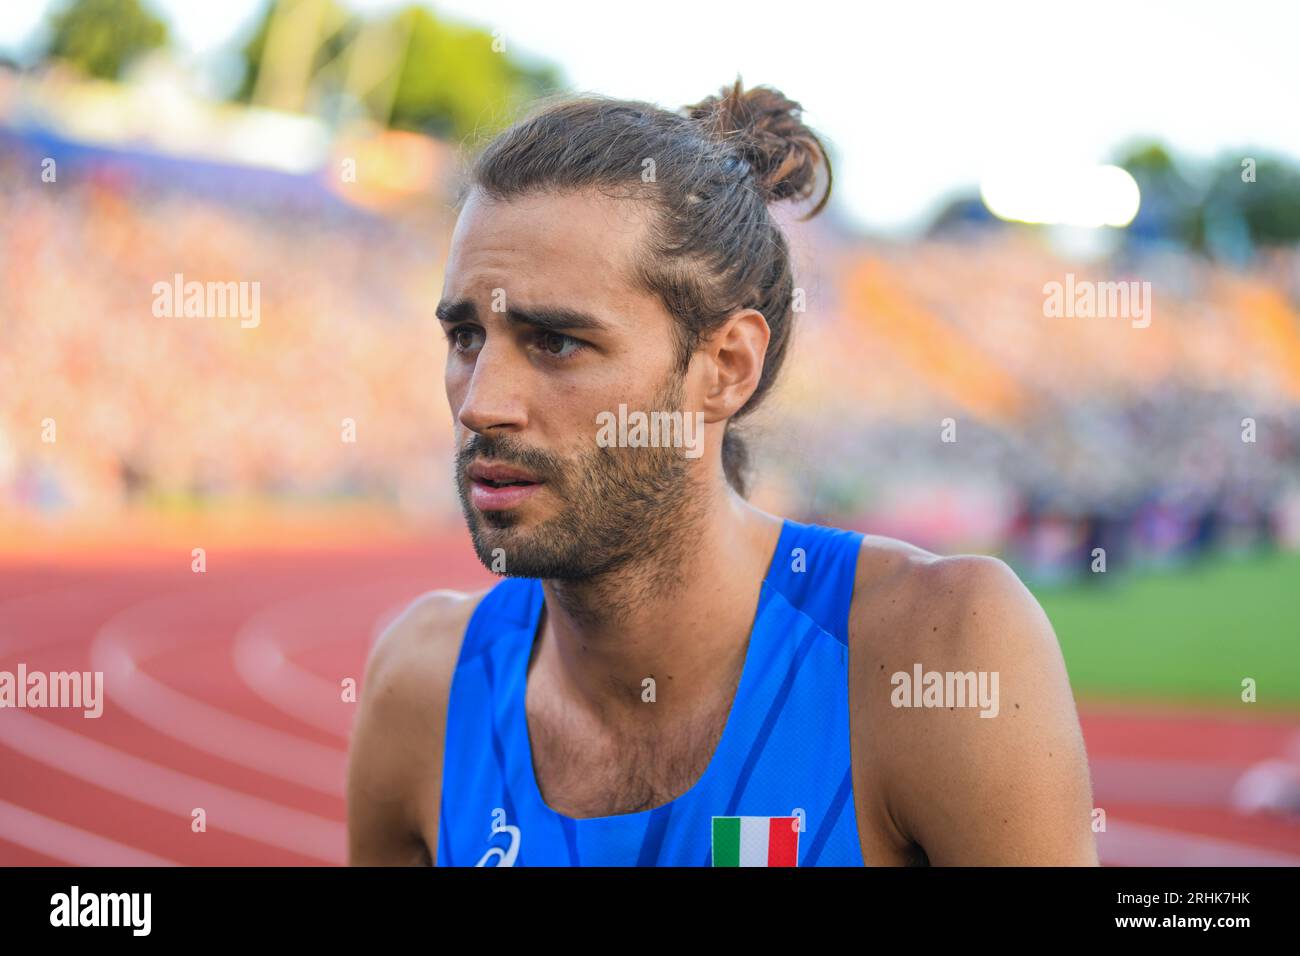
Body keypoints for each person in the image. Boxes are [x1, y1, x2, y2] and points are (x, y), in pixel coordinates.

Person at [346, 78, 1097, 866]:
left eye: (556, 342)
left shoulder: (935, 651)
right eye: (466, 336)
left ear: (727, 366)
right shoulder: (423, 686)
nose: (481, 405)